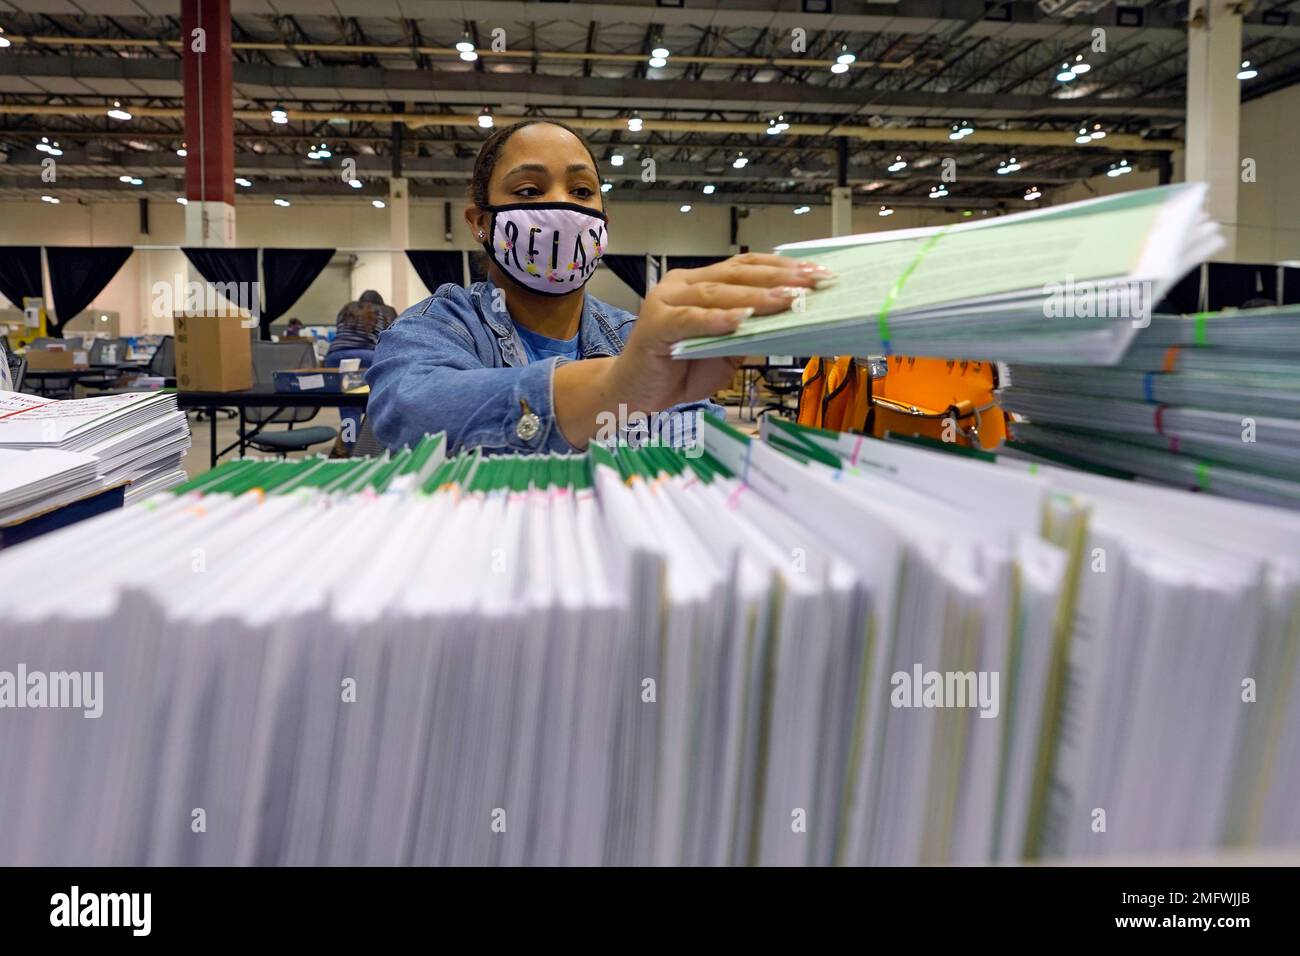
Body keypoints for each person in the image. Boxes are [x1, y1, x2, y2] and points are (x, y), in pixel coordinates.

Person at [365, 118, 835, 455]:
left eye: (582, 191)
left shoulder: (635, 335)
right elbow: (408, 414)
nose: (561, 207)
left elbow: (693, 448)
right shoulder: (443, 324)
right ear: (480, 223)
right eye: (528, 191)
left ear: (602, 223)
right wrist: (617, 384)